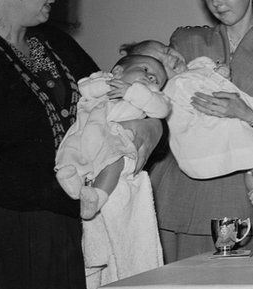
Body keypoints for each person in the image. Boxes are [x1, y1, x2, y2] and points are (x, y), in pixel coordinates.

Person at [0, 0, 161, 289]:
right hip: (6, 237)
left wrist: (151, 126)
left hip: (72, 230)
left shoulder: (54, 43)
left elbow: (116, 103)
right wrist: (71, 193)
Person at [149, 0, 253, 261]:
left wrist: (247, 115)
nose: (216, 2)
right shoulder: (186, 41)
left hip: (241, 195)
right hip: (177, 193)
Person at [163, 54, 253, 213]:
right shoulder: (175, 85)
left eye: (167, 50)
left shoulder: (198, 67)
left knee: (252, 148)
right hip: (194, 188)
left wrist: (249, 116)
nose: (168, 56)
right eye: (161, 60)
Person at [55, 53, 170, 218]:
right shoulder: (103, 80)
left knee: (114, 163)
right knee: (69, 154)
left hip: (115, 139)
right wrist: (110, 84)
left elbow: (162, 109)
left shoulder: (147, 97)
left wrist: (131, 92)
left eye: (157, 81)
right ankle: (73, 184)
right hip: (85, 133)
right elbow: (85, 88)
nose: (152, 77)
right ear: (118, 71)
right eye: (145, 69)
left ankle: (97, 197)